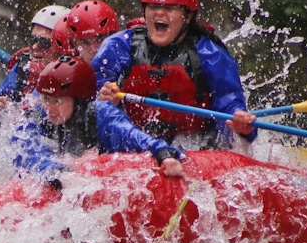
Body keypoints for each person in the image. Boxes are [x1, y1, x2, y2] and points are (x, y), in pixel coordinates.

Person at [90, 0, 256, 148]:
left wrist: (241, 126)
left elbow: (229, 106)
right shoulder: (118, 48)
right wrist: (106, 102)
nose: (159, 13)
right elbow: (90, 111)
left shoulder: (211, 54)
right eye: (153, 7)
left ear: (188, 17)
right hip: (134, 145)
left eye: (170, 8)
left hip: (199, 148)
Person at [11, 56, 184, 178]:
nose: (49, 107)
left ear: (79, 100)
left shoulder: (100, 113)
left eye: (57, 101)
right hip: (61, 172)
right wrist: (54, 171)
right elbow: (25, 149)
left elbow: (132, 135)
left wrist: (162, 151)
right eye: (46, 98)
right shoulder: (38, 114)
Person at [0, 4, 71, 117]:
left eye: (44, 42)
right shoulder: (24, 66)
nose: (34, 47)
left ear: (63, 47)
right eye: (32, 40)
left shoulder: (71, 80)